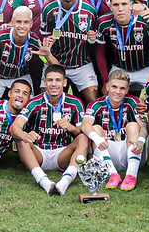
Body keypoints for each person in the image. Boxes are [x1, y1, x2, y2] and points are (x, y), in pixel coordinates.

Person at [9, 64, 89, 195]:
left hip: (62, 153)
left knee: (84, 138)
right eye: (50, 80)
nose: (53, 84)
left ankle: (66, 180)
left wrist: (72, 128)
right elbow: (15, 127)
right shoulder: (35, 102)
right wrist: (25, 135)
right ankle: (43, 181)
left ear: (64, 82)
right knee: (21, 139)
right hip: (38, 153)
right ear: (44, 82)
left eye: (58, 80)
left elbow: (81, 132)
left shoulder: (75, 102)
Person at [40, 0, 99, 104]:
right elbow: (44, 41)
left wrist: (91, 39)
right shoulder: (49, 9)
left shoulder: (89, 10)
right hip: (55, 63)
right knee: (45, 102)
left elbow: (93, 41)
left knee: (93, 102)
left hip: (81, 64)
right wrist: (47, 44)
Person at [81, 70, 145, 190]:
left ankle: (131, 175)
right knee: (95, 129)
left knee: (133, 125)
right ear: (107, 87)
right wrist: (97, 139)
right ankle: (113, 174)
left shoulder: (132, 102)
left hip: (131, 150)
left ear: (127, 90)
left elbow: (145, 125)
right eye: (114, 87)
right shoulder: (96, 104)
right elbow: (85, 125)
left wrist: (141, 141)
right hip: (108, 152)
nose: (117, 92)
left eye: (122, 88)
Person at [95, 0, 149, 93]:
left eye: (124, 4)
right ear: (110, 7)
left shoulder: (145, 21)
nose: (120, 9)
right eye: (116, 5)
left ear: (130, 5)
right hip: (120, 68)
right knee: (108, 93)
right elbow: (100, 52)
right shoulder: (103, 23)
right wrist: (106, 81)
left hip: (146, 68)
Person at [0, 6, 44, 99]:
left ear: (31, 24)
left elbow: (48, 62)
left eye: (26, 22)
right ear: (12, 22)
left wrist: (48, 56)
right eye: (18, 22)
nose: (22, 26)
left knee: (28, 106)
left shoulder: (35, 41)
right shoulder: (0, 36)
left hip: (20, 76)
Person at [0, 79, 32, 167]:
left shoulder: (26, 117)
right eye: (17, 91)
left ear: (29, 99)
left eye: (25, 93)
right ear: (9, 93)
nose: (20, 95)